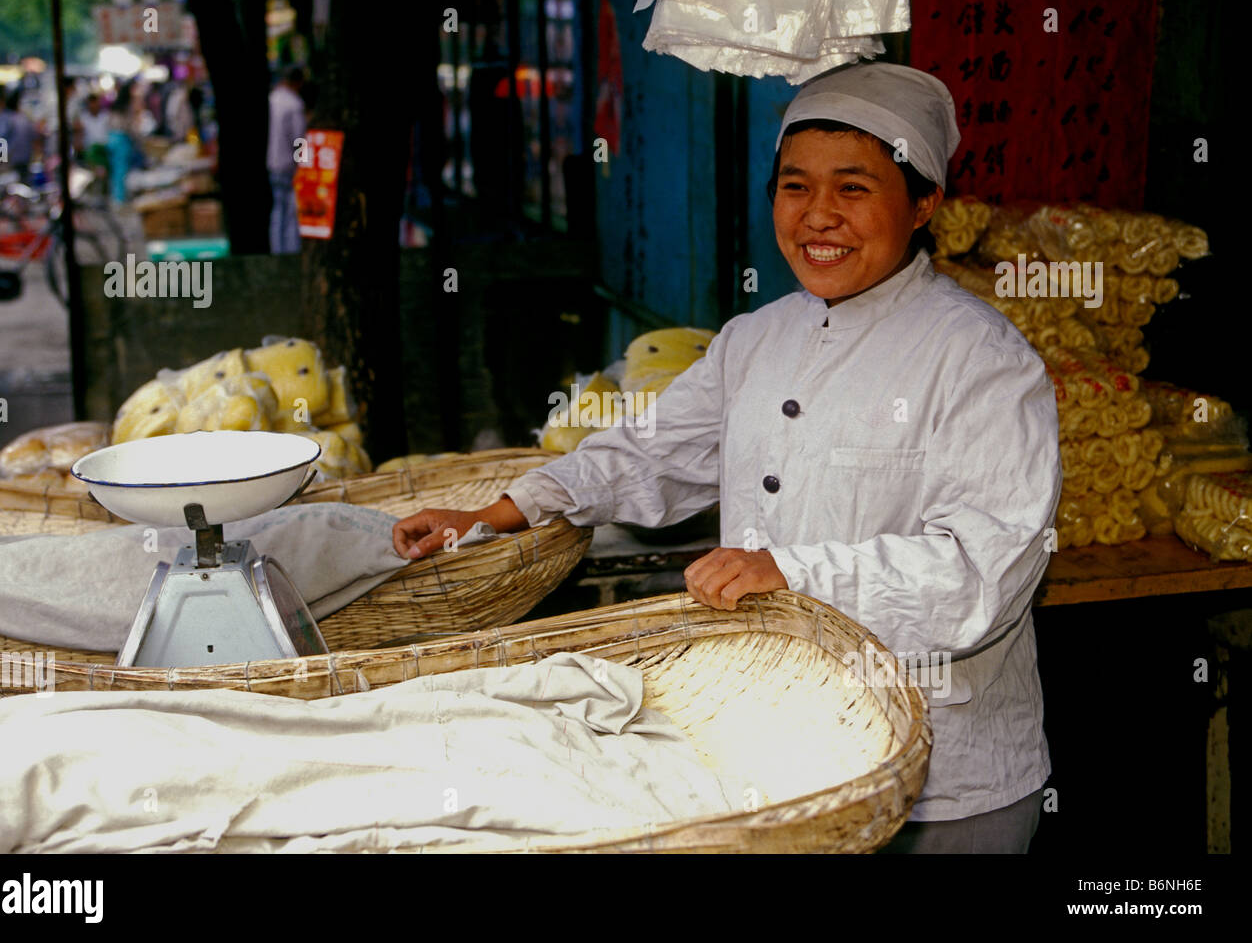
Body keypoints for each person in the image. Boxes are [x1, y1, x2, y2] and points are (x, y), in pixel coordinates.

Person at [392, 61, 1062, 853]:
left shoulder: (982, 360)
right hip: (789, 758)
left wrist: (793, 571)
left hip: (946, 784)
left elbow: (982, 576)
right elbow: (651, 451)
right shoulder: (757, 338)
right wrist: (502, 511)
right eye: (794, 187)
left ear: (923, 205)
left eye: (853, 188)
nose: (819, 217)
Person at [267, 66, 307, 254]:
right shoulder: (294, 104)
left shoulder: (272, 100)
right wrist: (303, 164)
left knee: (277, 211)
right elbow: (299, 138)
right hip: (289, 165)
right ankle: (290, 252)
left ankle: (277, 249)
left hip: (273, 162)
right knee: (291, 212)